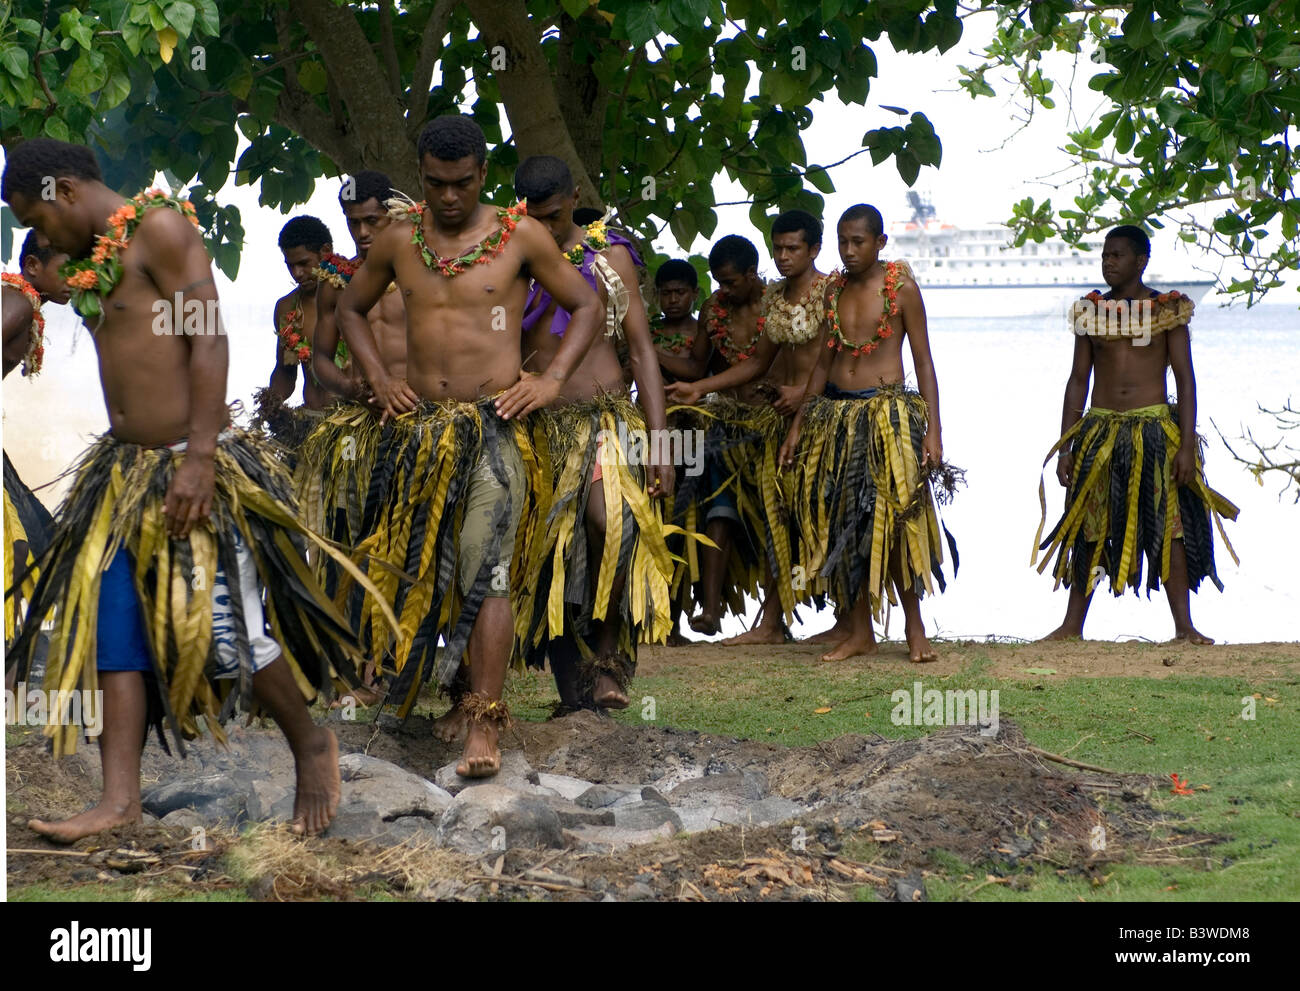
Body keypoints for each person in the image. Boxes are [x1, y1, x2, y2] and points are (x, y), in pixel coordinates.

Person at [2, 138, 394, 842]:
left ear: (61, 191)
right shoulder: (96, 259)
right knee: (114, 635)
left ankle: (311, 744)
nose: (40, 236)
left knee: (227, 635)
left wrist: (201, 456)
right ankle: (119, 798)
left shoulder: (160, 228)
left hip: (190, 459)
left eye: (37, 216)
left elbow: (208, 335)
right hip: (124, 473)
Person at [333, 116, 604, 778]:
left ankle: (485, 724)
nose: (448, 197)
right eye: (434, 184)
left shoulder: (521, 237)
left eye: (460, 184)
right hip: (421, 430)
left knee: (492, 573)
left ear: (482, 174)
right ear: (421, 177)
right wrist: (379, 377)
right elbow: (348, 308)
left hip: (494, 425)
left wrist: (550, 380)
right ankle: (419, 697)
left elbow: (588, 304)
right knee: (428, 568)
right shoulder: (399, 237)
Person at [509, 155, 675, 716]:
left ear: (574, 196)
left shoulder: (611, 255)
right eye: (536, 217)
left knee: (612, 521)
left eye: (555, 216)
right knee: (545, 552)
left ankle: (609, 657)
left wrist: (661, 442)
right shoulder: (510, 253)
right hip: (536, 427)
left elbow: (642, 350)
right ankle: (570, 693)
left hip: (605, 420)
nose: (547, 228)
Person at [1034, 225, 1238, 643]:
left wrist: (1185, 445)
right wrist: (1066, 446)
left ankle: (1184, 626)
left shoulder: (1167, 310)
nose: (1108, 262)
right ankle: (1072, 626)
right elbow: (1077, 380)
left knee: (1170, 525)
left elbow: (1185, 379)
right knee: (1089, 524)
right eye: (1105, 256)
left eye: (1117, 255)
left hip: (1154, 431)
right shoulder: (1091, 311)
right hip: (1101, 430)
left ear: (1141, 260)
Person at [781, 204, 957, 663]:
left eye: (858, 241)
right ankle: (859, 630)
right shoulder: (833, 291)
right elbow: (822, 363)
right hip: (836, 416)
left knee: (897, 521)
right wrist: (799, 425)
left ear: (880, 242)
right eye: (842, 241)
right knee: (841, 521)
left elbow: (925, 363)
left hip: (888, 415)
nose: (849, 250)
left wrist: (933, 432)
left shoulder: (902, 291)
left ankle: (915, 628)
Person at [667, 210, 830, 644]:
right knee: (719, 500)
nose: (784, 256)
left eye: (791, 248)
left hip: (797, 419)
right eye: (779, 247)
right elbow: (752, 364)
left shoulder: (825, 294)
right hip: (739, 422)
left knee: (795, 512)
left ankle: (812, 620)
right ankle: (718, 608)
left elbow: (837, 358)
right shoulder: (748, 306)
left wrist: (804, 395)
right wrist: (695, 387)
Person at [665, 235, 774, 638]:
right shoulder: (713, 310)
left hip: (771, 422)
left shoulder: (775, 304)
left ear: (751, 274)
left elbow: (759, 364)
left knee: (775, 516)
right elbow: (697, 366)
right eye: (716, 283)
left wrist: (700, 386)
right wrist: (643, 347)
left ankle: (774, 620)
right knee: (719, 509)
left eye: (729, 283)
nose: (721, 291)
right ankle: (710, 611)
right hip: (724, 424)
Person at [3, 230, 68, 655]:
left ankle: (16, 668)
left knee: (33, 540)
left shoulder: (22, 301)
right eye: (68, 268)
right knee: (29, 541)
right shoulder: (18, 302)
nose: (77, 277)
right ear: (32, 267)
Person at [267, 215, 334, 411]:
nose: (297, 273)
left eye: (304, 263)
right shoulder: (287, 308)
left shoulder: (355, 296)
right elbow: (286, 371)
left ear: (326, 252)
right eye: (290, 265)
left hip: (358, 420)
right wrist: (270, 406)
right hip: (312, 423)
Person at [651, 260, 710, 385]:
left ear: (695, 293)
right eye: (666, 293)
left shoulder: (704, 331)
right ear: (657, 294)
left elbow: (696, 370)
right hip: (645, 404)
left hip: (698, 404)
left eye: (680, 292)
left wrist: (648, 354)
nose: (673, 300)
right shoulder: (647, 331)